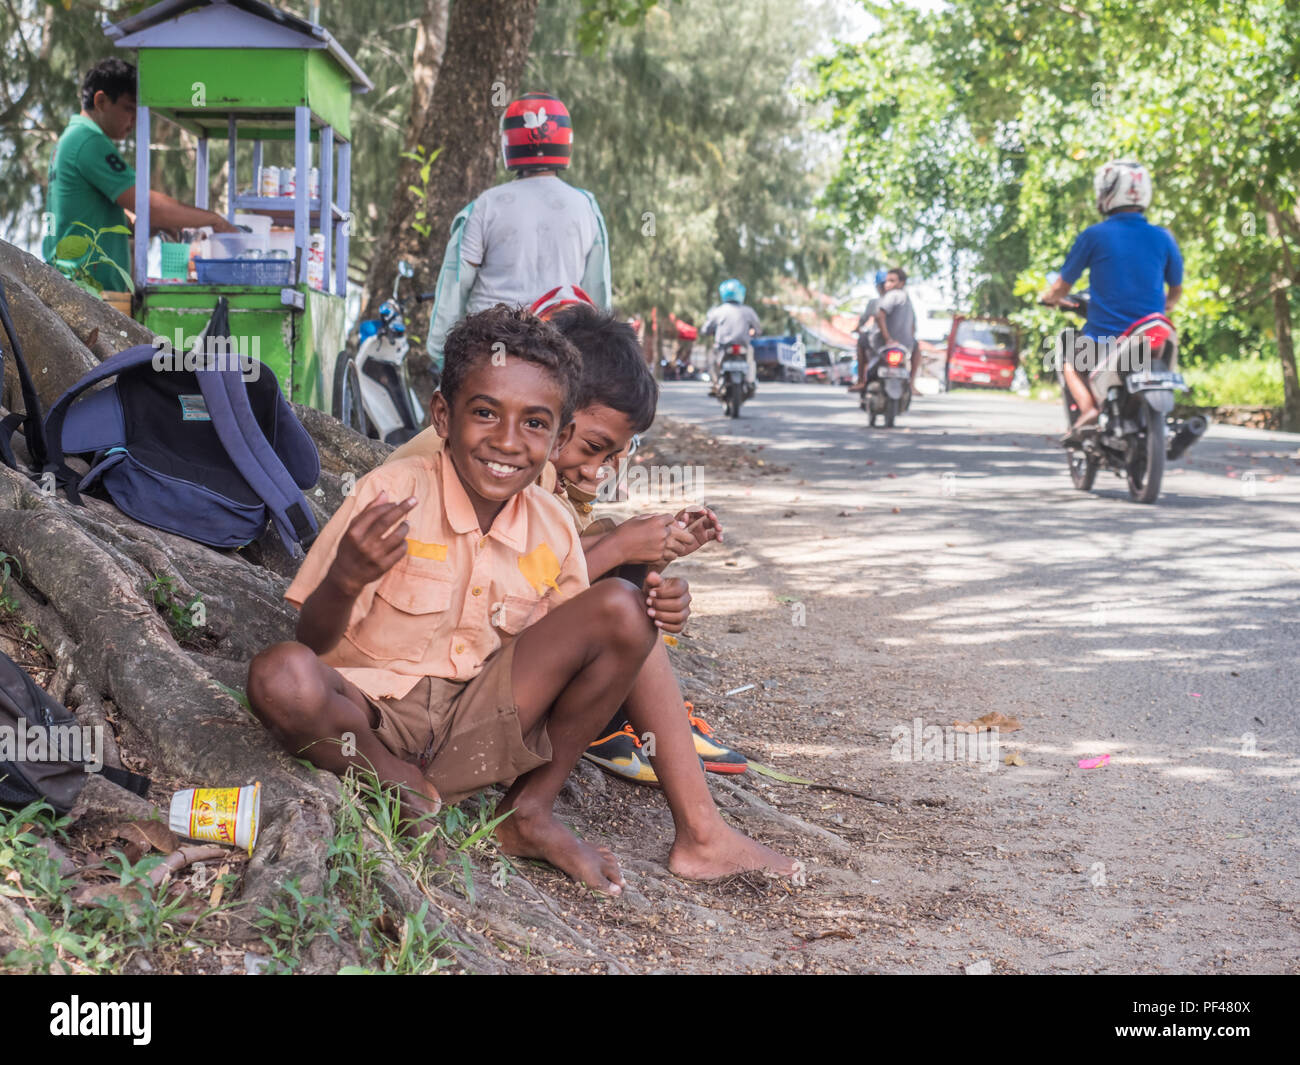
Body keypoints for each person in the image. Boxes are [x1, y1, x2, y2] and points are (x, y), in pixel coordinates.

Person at [248, 305, 789, 893]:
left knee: (624, 609)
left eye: (534, 424)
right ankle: (402, 790)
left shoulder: (551, 522)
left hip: (480, 727)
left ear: (555, 436)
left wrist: (653, 609)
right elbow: (312, 639)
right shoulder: (392, 494)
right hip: (370, 721)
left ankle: (528, 813)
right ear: (443, 416)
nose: (507, 441)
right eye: (485, 413)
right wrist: (346, 579)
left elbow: (569, 646)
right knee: (282, 675)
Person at [542, 302, 752, 785]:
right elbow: (524, 591)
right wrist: (619, 549)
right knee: (613, 560)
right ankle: (607, 724)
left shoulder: (553, 482)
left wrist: (654, 550)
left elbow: (570, 548)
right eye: (593, 448)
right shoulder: (506, 469)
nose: (601, 471)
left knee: (614, 547)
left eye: (616, 455)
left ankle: (643, 720)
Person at [424, 93, 612, 375]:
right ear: (566, 142)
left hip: (488, 348)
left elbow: (454, 285)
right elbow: (596, 294)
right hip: (555, 353)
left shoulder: (486, 204)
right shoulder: (586, 207)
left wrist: (439, 351)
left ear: (507, 144)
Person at [44, 57, 237, 290]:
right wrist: (213, 219)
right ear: (101, 101)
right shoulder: (87, 141)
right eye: (129, 109)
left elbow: (93, 218)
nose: (134, 121)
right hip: (82, 292)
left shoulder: (72, 140)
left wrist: (155, 225)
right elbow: (146, 204)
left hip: (77, 287)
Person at [1041, 159, 1183, 439]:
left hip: (1104, 340)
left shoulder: (1094, 236)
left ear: (1106, 192)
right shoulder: (1162, 237)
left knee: (1067, 357)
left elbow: (1061, 286)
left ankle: (1088, 411)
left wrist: (1049, 298)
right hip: (1151, 334)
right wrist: (1165, 307)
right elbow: (1176, 290)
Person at [700, 279, 760, 396]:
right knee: (751, 361)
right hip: (744, 346)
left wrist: (710, 332)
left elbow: (705, 329)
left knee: (713, 361)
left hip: (722, 347)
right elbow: (758, 330)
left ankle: (716, 383)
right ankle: (751, 381)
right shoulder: (748, 311)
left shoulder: (718, 311)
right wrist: (753, 333)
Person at [874, 268, 919, 386]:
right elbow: (913, 326)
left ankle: (861, 381)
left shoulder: (893, 295)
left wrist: (888, 339)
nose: (887, 284)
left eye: (892, 281)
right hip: (901, 345)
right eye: (886, 281)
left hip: (889, 343)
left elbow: (879, 316)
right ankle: (911, 384)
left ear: (901, 283)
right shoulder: (907, 299)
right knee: (916, 347)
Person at [848, 269, 888, 393]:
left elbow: (863, 321)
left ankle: (861, 381)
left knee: (861, 341)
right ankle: (912, 385)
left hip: (880, 339)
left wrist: (857, 329)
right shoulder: (901, 301)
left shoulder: (876, 302)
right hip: (898, 340)